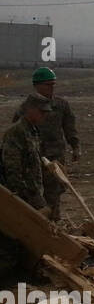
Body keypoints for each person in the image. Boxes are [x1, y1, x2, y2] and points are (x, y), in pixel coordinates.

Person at [11, 66, 79, 221]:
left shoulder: (61, 105)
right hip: (34, 160)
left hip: (55, 160)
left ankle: (54, 225)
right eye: (47, 85)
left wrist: (75, 146)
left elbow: (69, 127)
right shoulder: (26, 108)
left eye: (53, 84)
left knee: (54, 195)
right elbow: (17, 134)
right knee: (33, 196)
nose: (51, 88)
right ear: (37, 85)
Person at [0, 94, 52, 280]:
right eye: (41, 112)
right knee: (13, 242)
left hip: (33, 194)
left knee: (35, 239)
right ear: (30, 110)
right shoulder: (16, 133)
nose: (45, 116)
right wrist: (25, 200)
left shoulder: (33, 131)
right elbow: (13, 170)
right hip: (21, 197)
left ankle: (28, 273)